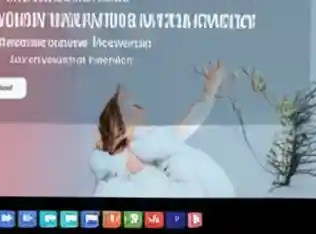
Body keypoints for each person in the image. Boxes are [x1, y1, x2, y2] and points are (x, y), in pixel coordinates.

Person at [90, 61, 236, 198]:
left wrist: (209, 93)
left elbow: (181, 129)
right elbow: (182, 128)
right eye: (135, 107)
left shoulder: (142, 150)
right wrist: (209, 92)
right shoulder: (141, 148)